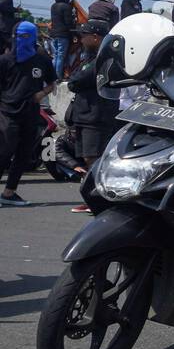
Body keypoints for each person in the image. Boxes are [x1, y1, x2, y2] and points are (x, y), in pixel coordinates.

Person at [0, 21, 58, 207]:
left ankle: (9, 193)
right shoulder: (5, 61)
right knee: (4, 151)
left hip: (31, 113)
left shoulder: (42, 59)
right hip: (7, 113)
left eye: (26, 36)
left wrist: (41, 94)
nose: (22, 40)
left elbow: (52, 83)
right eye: (19, 36)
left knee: (24, 153)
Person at [65, 19, 120, 212]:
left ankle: (103, 200)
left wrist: (75, 79)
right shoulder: (88, 57)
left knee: (93, 157)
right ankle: (93, 198)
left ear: (96, 37)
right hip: (84, 114)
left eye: (84, 35)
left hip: (96, 115)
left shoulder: (102, 59)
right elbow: (74, 79)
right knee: (87, 157)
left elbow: (76, 80)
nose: (80, 39)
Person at [49, 0, 78, 78]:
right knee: (61, 56)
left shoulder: (53, 6)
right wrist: (74, 32)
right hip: (63, 35)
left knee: (56, 55)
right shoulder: (66, 7)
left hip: (54, 34)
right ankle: (58, 76)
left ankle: (52, 75)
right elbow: (68, 22)